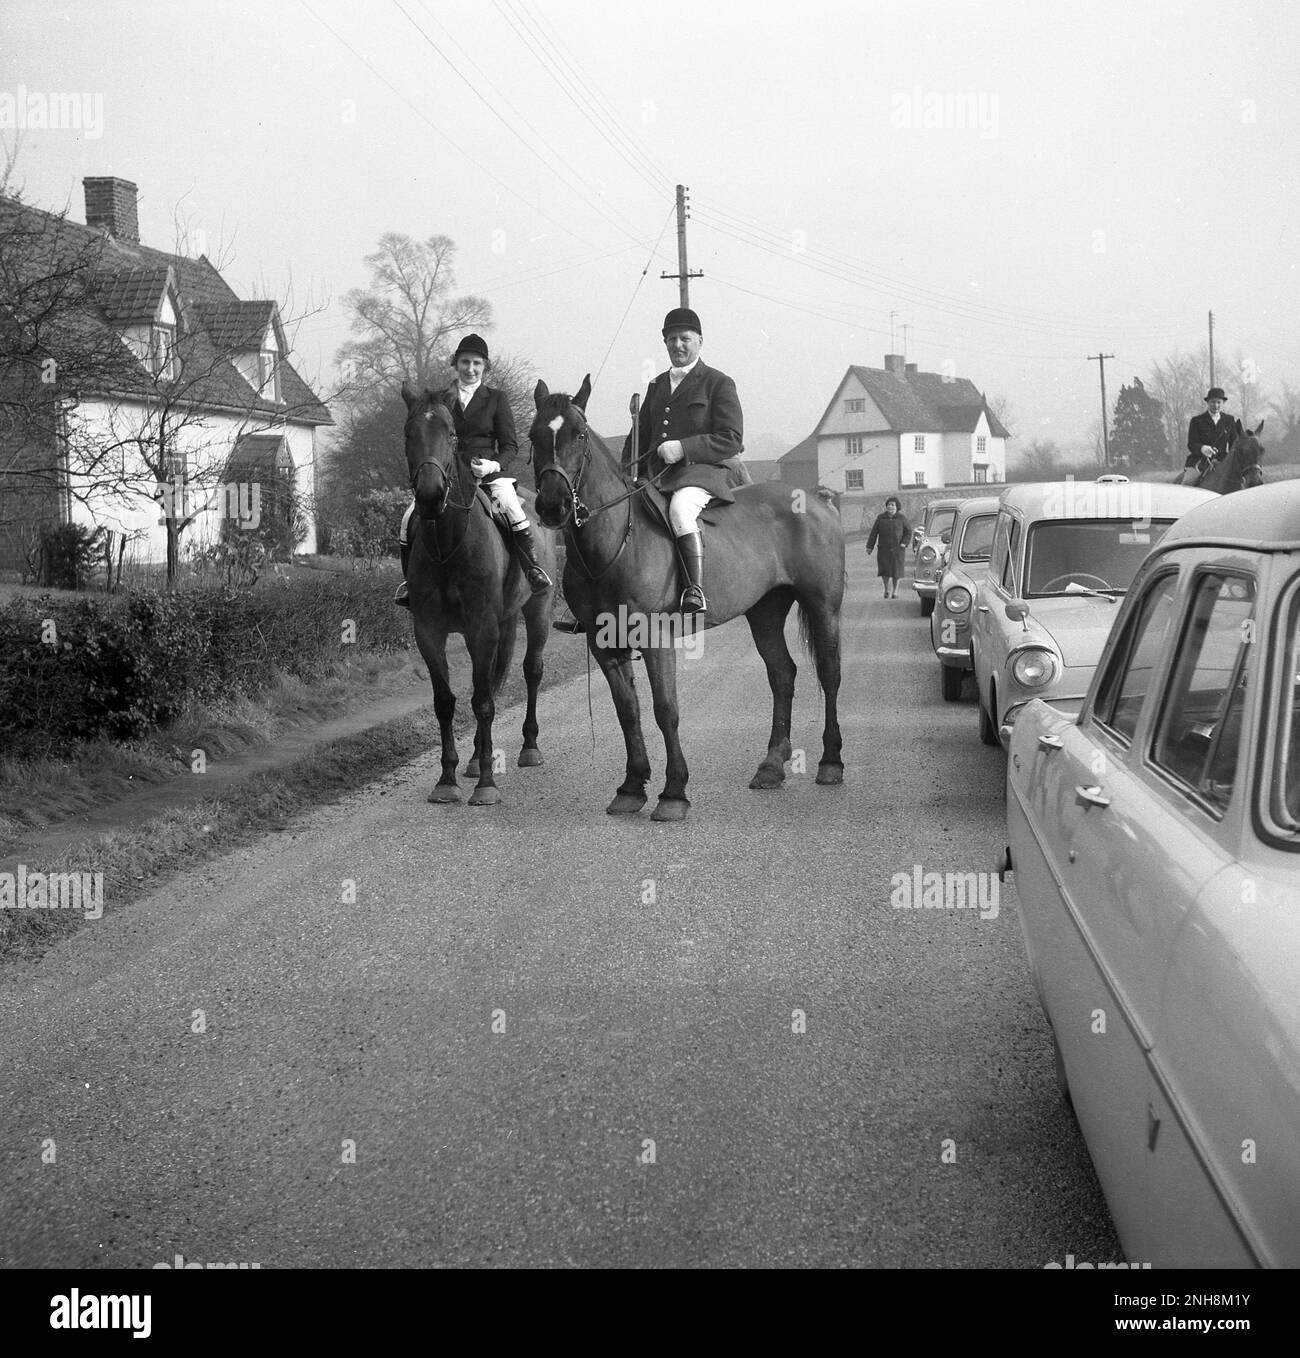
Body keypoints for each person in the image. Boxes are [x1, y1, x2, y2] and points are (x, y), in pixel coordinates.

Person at [396, 334, 550, 606]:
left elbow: (510, 445)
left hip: (487, 473)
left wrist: (492, 464)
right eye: (465, 362)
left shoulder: (496, 399)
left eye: (476, 363)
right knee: (409, 518)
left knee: (511, 506)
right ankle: (411, 583)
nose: (470, 368)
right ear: (455, 364)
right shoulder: (441, 400)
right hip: (448, 475)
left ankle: (533, 569)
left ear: (484, 366)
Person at [624, 307, 745, 614]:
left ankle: (694, 589)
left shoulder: (718, 382)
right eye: (671, 339)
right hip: (656, 476)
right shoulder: (657, 385)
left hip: (702, 473)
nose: (677, 345)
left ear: (699, 341)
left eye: (684, 339)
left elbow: (732, 438)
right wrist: (626, 472)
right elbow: (639, 435)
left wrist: (683, 448)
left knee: (680, 509)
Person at [1184, 386, 1242, 481]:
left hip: (1223, 462)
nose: (1216, 405)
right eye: (1213, 402)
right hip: (1199, 462)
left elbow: (1234, 444)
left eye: (1219, 402)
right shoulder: (1197, 421)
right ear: (1208, 403)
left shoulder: (1229, 420)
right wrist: (1203, 448)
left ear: (1223, 403)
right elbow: (1191, 444)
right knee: (1188, 482)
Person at [866, 496, 911, 599]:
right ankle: (886, 590)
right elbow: (874, 532)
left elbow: (908, 532)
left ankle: (895, 592)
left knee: (897, 572)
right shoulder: (881, 518)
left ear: (897, 507)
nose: (890, 507)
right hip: (884, 549)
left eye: (893, 505)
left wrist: (904, 543)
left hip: (898, 550)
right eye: (889, 505)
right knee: (885, 570)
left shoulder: (902, 518)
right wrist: (870, 546)